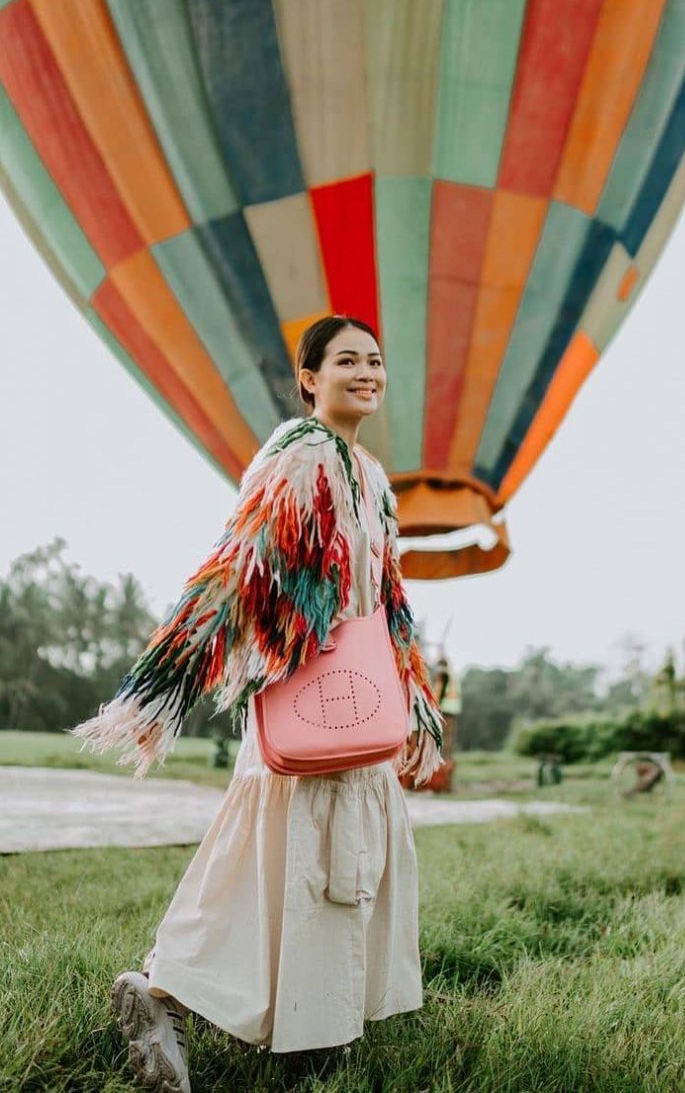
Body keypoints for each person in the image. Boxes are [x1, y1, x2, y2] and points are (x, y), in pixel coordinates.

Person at [73, 316, 444, 1091]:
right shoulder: (299, 453)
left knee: (344, 863)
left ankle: (318, 1027)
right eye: (347, 360)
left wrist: (416, 698)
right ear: (309, 378)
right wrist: (167, 680)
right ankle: (162, 991)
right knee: (277, 862)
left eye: (376, 360)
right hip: (303, 692)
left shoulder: (373, 475)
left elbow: (391, 597)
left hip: (359, 697)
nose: (367, 371)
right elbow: (239, 571)